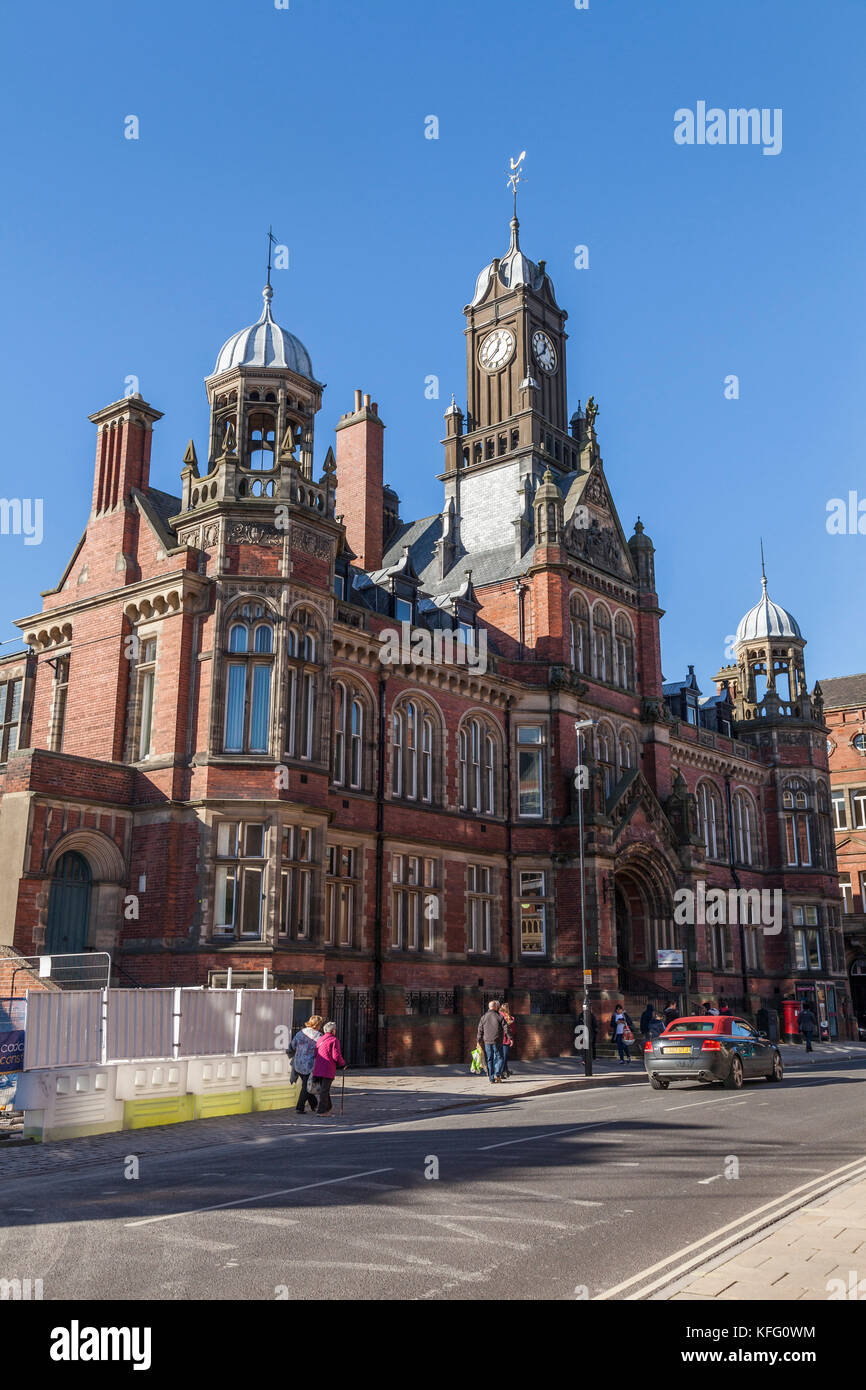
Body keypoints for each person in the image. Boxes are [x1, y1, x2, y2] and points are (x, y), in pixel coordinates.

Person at [287, 1013, 323, 1114]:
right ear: (318, 1024)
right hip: (310, 1065)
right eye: (320, 1024)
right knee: (306, 1087)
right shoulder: (319, 1036)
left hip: (298, 1064)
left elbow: (293, 1045)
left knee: (307, 1085)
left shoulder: (300, 1033)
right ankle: (300, 1107)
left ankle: (314, 1104)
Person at [311, 1021, 347, 1115]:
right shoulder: (334, 1040)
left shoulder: (320, 1039)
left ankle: (329, 1108)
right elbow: (336, 1055)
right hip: (327, 1068)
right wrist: (343, 1064)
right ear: (333, 1031)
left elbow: (315, 1054)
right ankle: (322, 1111)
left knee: (324, 1089)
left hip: (318, 1068)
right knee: (324, 1090)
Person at [477, 1000, 505, 1083]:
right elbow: (505, 1028)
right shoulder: (499, 1016)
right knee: (500, 1058)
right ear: (495, 1007)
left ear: (489, 1007)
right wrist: (510, 1038)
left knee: (489, 1059)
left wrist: (478, 1040)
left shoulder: (484, 1017)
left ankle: (491, 1078)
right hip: (497, 1041)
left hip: (487, 1042)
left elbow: (480, 1030)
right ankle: (497, 1074)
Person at [500, 1002, 516, 1077]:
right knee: (504, 1057)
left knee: (499, 1056)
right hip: (506, 1039)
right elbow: (513, 1030)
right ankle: (503, 1071)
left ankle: (505, 1071)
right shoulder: (511, 1018)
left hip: (497, 1039)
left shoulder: (498, 1016)